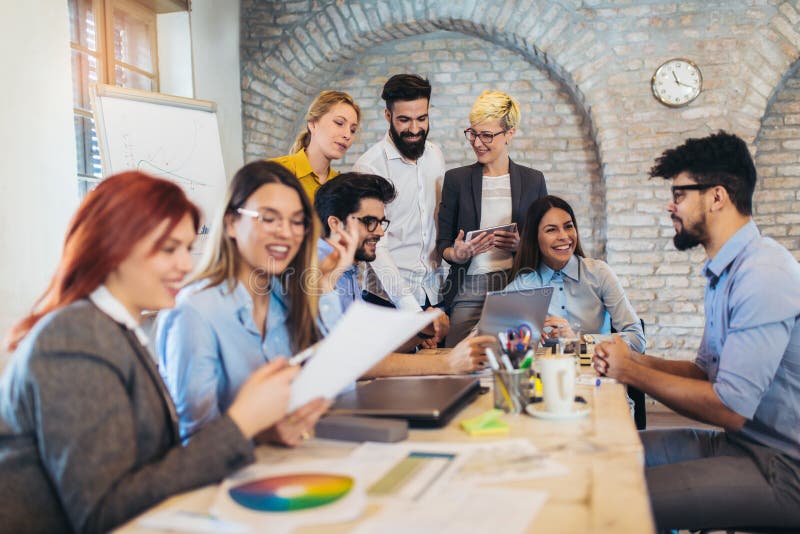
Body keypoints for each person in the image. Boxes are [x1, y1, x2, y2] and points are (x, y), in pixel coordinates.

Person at [0, 172, 298, 533]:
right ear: (113, 246)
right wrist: (241, 422)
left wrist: (256, 430)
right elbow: (103, 513)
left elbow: (152, 466)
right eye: (168, 249)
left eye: (187, 249)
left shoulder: (114, 330)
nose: (187, 266)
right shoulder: (74, 337)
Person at [593, 131, 800, 531]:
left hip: (784, 468)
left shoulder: (764, 273)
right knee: (600, 454)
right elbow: (705, 373)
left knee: (612, 496)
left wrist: (630, 371)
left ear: (717, 196)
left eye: (680, 194)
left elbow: (731, 408)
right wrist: (629, 357)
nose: (671, 206)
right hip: (741, 445)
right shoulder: (726, 272)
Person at [157, 161, 358, 446]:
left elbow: (340, 391)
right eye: (268, 218)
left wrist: (325, 286)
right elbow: (195, 442)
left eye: (296, 221)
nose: (286, 232)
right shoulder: (195, 311)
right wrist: (260, 434)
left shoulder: (287, 296)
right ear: (230, 224)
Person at [315, 172, 495, 375]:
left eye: (381, 222)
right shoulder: (317, 270)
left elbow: (366, 352)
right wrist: (448, 363)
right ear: (335, 224)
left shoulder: (347, 271)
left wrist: (423, 330)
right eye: (369, 222)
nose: (381, 233)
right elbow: (347, 362)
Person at [437, 90, 548, 347]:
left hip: (516, 284)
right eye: (473, 133)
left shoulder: (533, 181)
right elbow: (443, 243)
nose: (477, 142)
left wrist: (522, 245)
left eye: (487, 135)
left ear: (510, 132)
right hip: (468, 285)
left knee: (514, 360)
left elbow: (543, 239)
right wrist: (458, 253)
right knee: (457, 357)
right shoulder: (457, 180)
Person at [353, 74, 448, 331]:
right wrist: (411, 310)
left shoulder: (436, 155)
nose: (415, 129)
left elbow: (437, 221)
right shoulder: (369, 166)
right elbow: (375, 245)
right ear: (388, 116)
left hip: (434, 296)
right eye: (404, 120)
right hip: (387, 302)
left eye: (422, 118)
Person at [505, 195, 645, 352]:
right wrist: (523, 338)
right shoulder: (523, 285)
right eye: (551, 230)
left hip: (599, 373)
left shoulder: (599, 273)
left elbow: (637, 340)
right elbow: (486, 336)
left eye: (568, 226)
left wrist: (579, 340)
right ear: (534, 238)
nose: (564, 237)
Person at [271, 90, 360, 202]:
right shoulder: (275, 172)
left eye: (353, 130)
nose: (347, 135)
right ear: (313, 124)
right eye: (339, 123)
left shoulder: (342, 186)